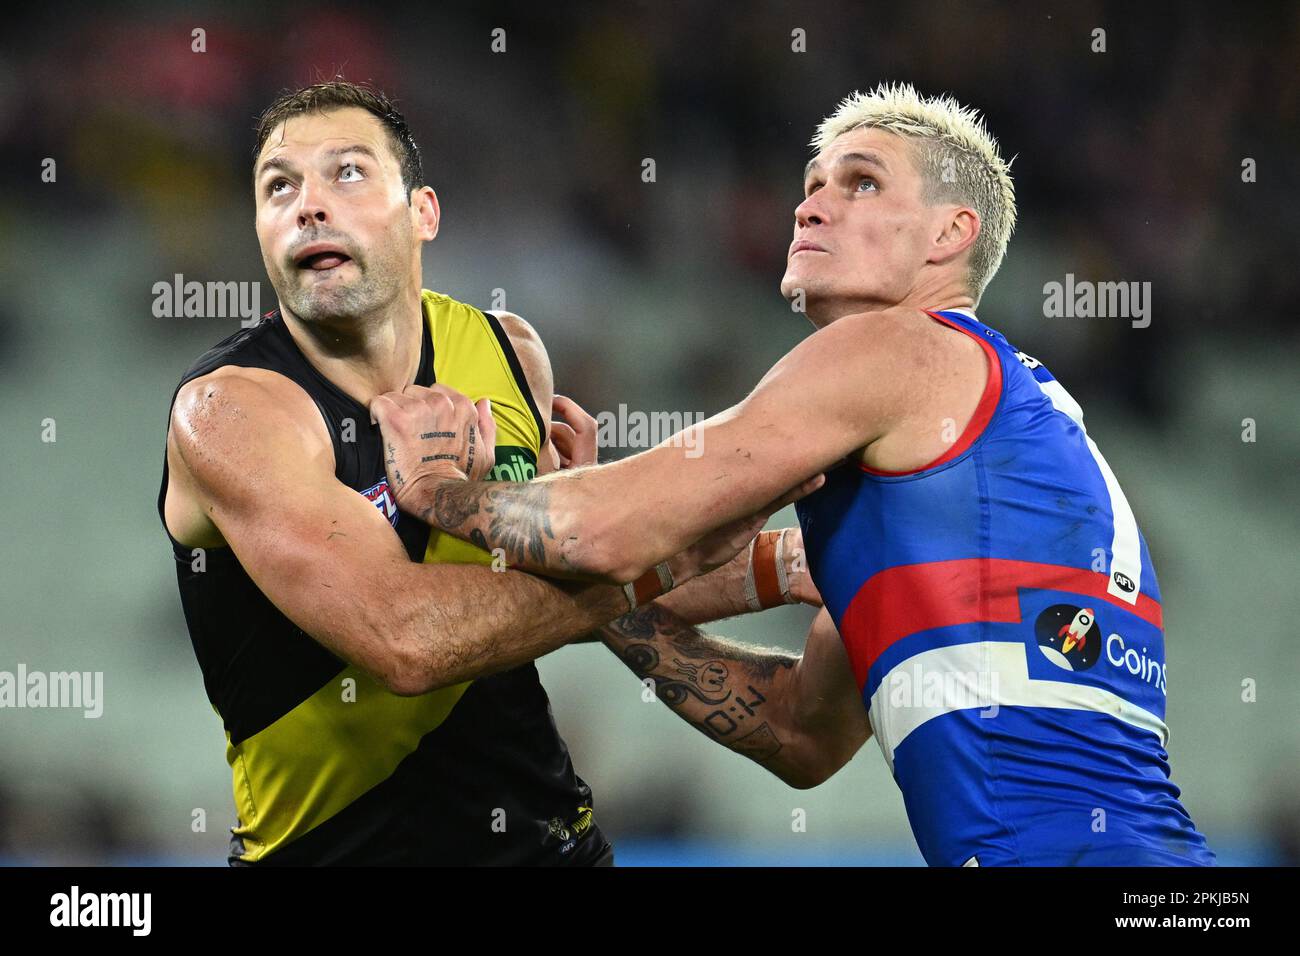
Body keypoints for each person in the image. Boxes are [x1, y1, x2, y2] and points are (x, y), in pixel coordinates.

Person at [404, 83, 1216, 866]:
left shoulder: (897, 348)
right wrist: (613, 590)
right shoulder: (969, 435)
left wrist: (436, 485)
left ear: (949, 235)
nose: (810, 204)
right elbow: (802, 732)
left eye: (861, 182)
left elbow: (605, 531)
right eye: (812, 184)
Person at [156, 80, 817, 865]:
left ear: (423, 213)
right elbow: (408, 642)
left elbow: (542, 597)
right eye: (279, 186)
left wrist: (788, 564)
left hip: (547, 845)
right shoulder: (232, 413)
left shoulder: (507, 350)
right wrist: (649, 546)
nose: (308, 205)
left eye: (348, 172)